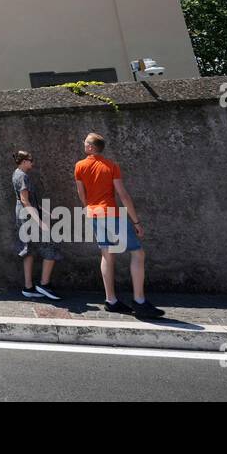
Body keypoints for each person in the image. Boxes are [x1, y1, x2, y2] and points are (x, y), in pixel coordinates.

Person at [73, 132, 164, 318]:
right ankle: (139, 301)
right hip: (111, 213)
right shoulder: (111, 166)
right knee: (138, 253)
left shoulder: (79, 166)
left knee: (107, 254)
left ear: (91, 147)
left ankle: (111, 300)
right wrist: (136, 221)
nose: (83, 145)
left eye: (85, 143)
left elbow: (81, 194)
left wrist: (89, 209)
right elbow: (123, 194)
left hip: (93, 213)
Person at [10, 150, 62, 300]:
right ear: (24, 161)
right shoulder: (23, 176)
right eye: (31, 160)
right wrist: (40, 222)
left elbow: (28, 200)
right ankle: (44, 285)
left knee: (29, 251)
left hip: (23, 215)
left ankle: (28, 287)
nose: (33, 163)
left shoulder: (16, 174)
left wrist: (44, 211)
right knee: (51, 247)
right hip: (28, 218)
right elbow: (25, 201)